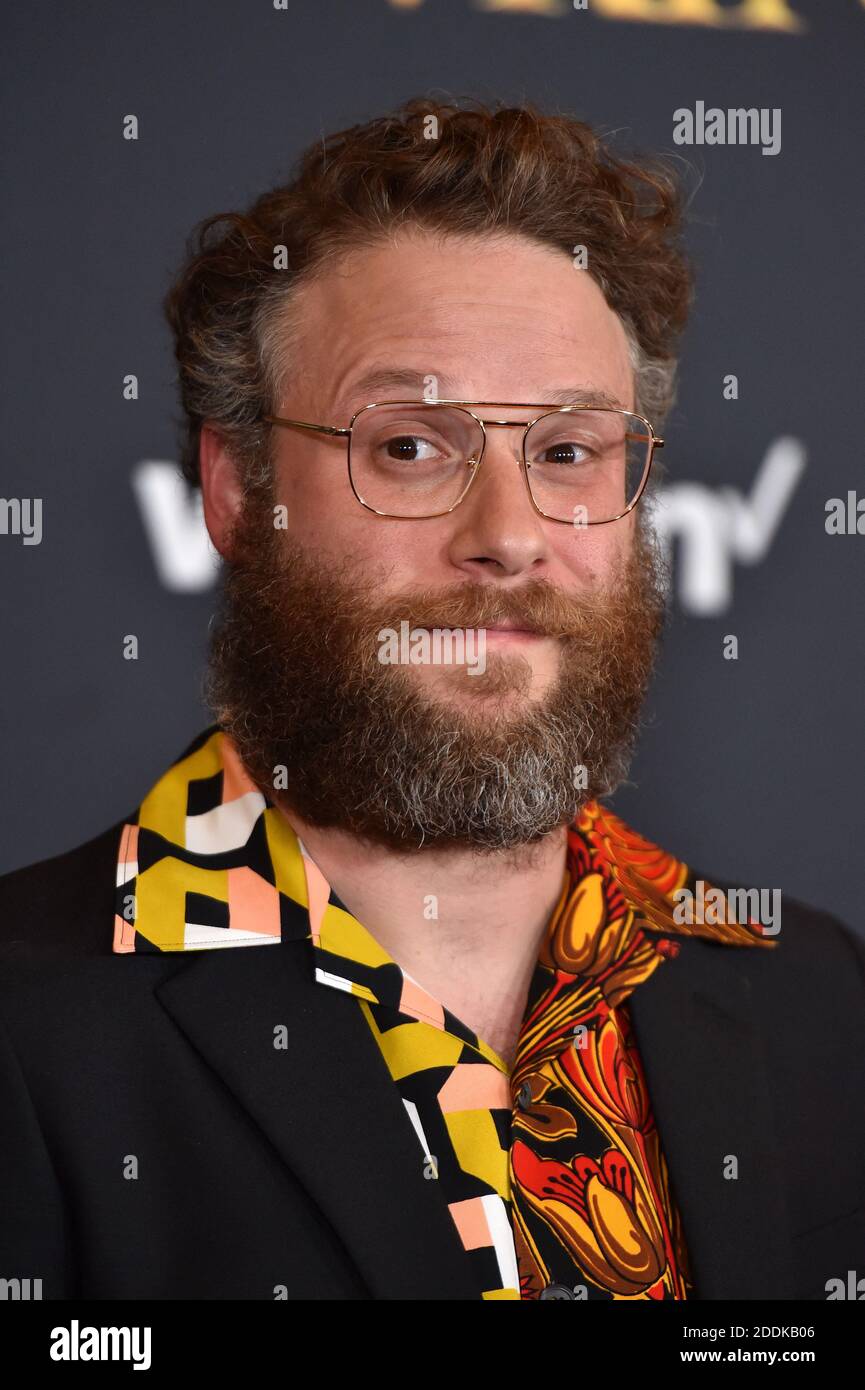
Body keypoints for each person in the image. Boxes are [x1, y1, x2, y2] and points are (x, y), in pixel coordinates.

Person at [1, 98, 863, 1302]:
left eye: (567, 451)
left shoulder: (817, 991)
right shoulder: (29, 1030)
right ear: (236, 488)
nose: (507, 538)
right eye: (409, 445)